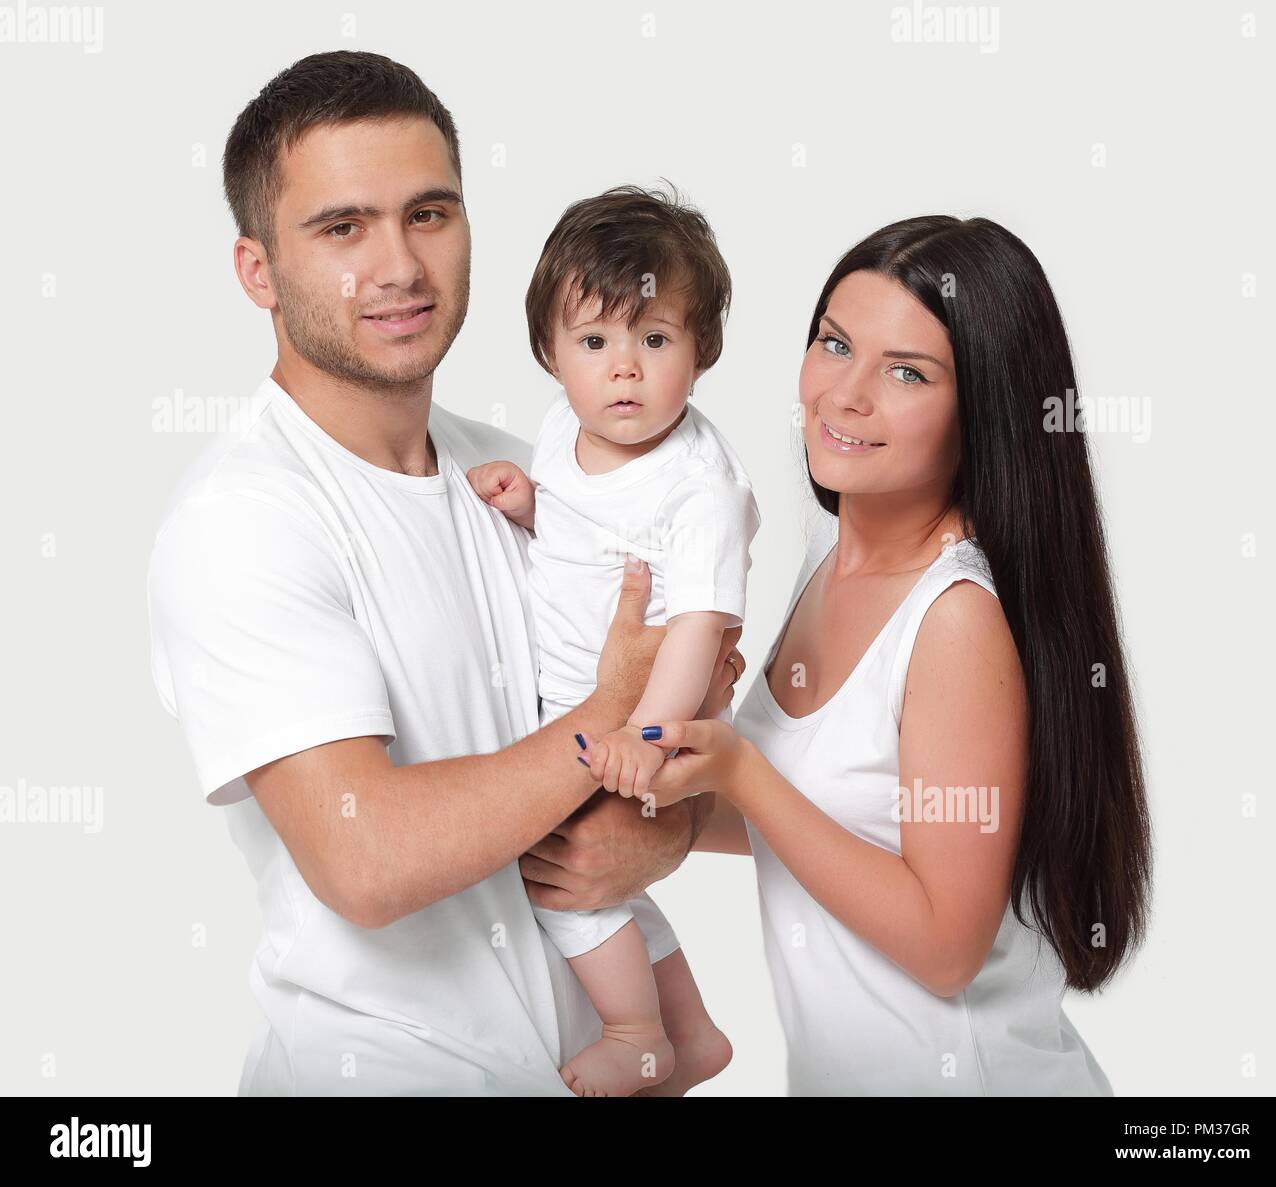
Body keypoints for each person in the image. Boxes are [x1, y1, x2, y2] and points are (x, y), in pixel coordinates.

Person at [146, 50, 741, 1096]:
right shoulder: (241, 520)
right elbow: (365, 859)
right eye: (343, 227)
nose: (400, 267)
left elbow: (703, 749)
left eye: (429, 214)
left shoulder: (531, 471)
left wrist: (665, 828)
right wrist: (611, 716)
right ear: (257, 271)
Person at [581, 216, 1153, 1095]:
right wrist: (671, 812)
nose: (845, 394)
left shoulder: (953, 619)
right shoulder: (829, 549)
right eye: (834, 344)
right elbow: (840, 815)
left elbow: (946, 943)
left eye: (907, 372)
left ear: (984, 411)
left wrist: (737, 772)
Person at [466, 185, 759, 1095]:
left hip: (622, 721)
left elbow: (701, 625)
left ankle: (637, 1030)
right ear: (551, 355)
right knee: (610, 883)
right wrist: (530, 510)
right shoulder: (563, 434)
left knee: (558, 883)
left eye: (656, 341)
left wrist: (651, 731)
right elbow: (580, 545)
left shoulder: (697, 488)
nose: (624, 371)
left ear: (702, 351)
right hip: (567, 702)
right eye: (595, 343)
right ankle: (695, 1031)